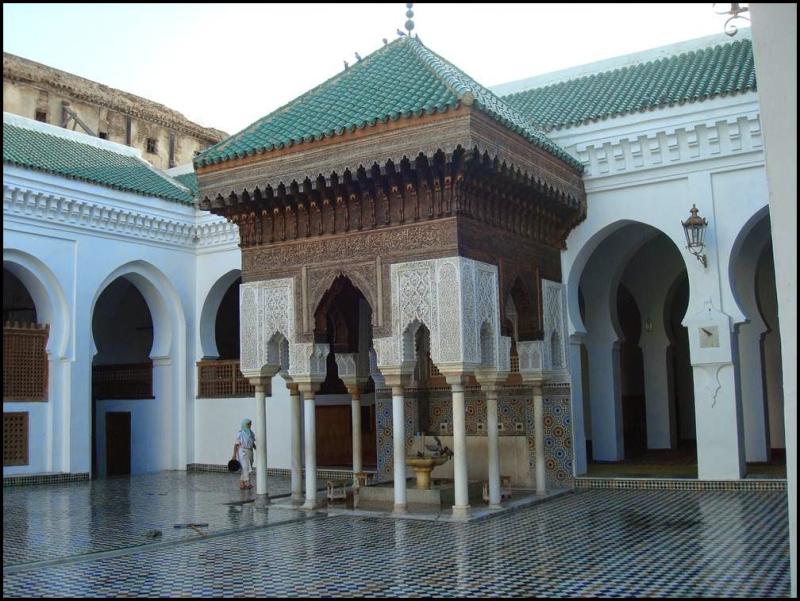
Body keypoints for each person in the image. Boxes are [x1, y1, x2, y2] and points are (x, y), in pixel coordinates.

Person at [232, 418, 256, 490]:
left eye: (250, 424)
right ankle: (247, 482)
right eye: (248, 424)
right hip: (242, 451)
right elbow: (236, 444)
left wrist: (256, 448)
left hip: (250, 451)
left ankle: (241, 484)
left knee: (247, 467)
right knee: (245, 467)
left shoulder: (251, 433)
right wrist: (234, 455)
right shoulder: (240, 433)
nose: (250, 425)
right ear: (244, 424)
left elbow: (252, 442)